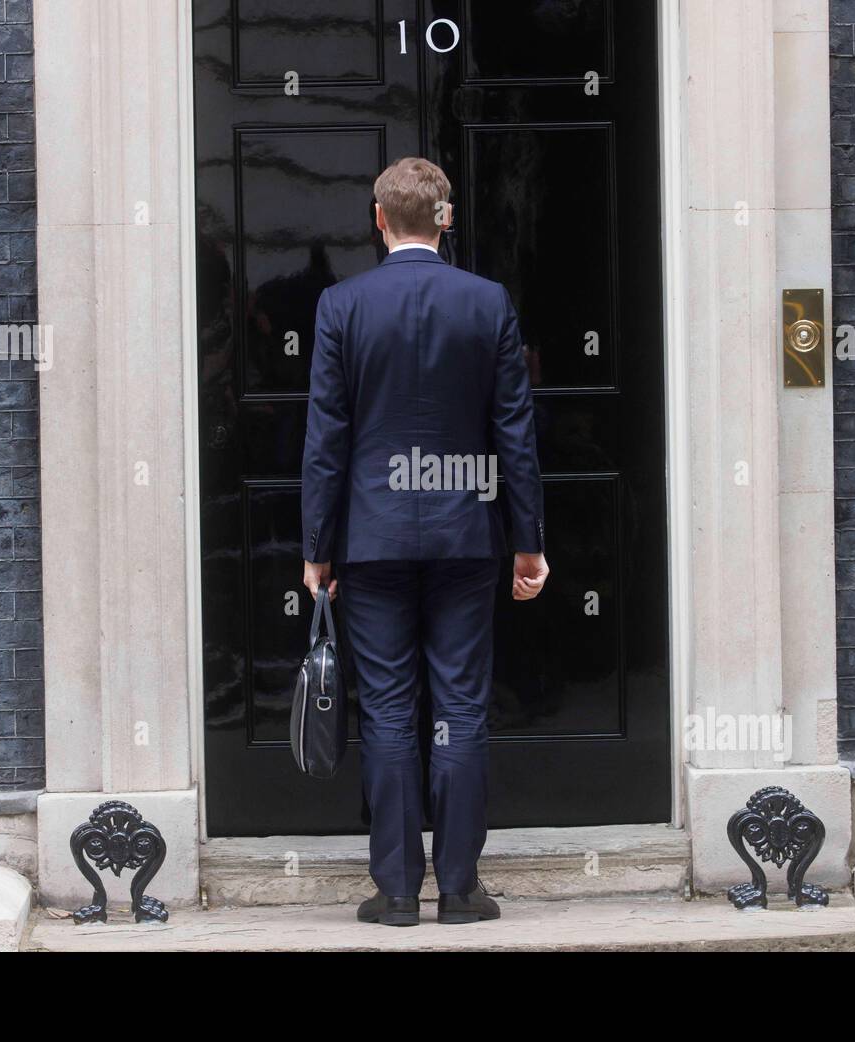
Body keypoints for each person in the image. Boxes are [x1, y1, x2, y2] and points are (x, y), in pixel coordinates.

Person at [301, 157, 549, 926]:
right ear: (446, 220)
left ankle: (398, 891)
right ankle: (462, 889)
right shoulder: (487, 302)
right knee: (461, 709)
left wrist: (317, 548)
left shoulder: (342, 305)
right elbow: (516, 433)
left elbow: (325, 441)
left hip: (372, 541)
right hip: (465, 539)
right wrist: (528, 541)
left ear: (379, 220)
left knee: (385, 711)